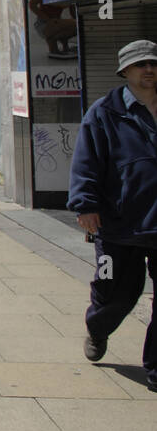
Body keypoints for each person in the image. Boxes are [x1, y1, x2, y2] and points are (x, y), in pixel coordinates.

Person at [68, 40, 157, 390]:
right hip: (119, 223)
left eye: (153, 63)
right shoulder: (104, 112)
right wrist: (85, 205)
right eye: (140, 65)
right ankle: (98, 325)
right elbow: (86, 161)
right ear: (125, 71)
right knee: (115, 291)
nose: (148, 70)